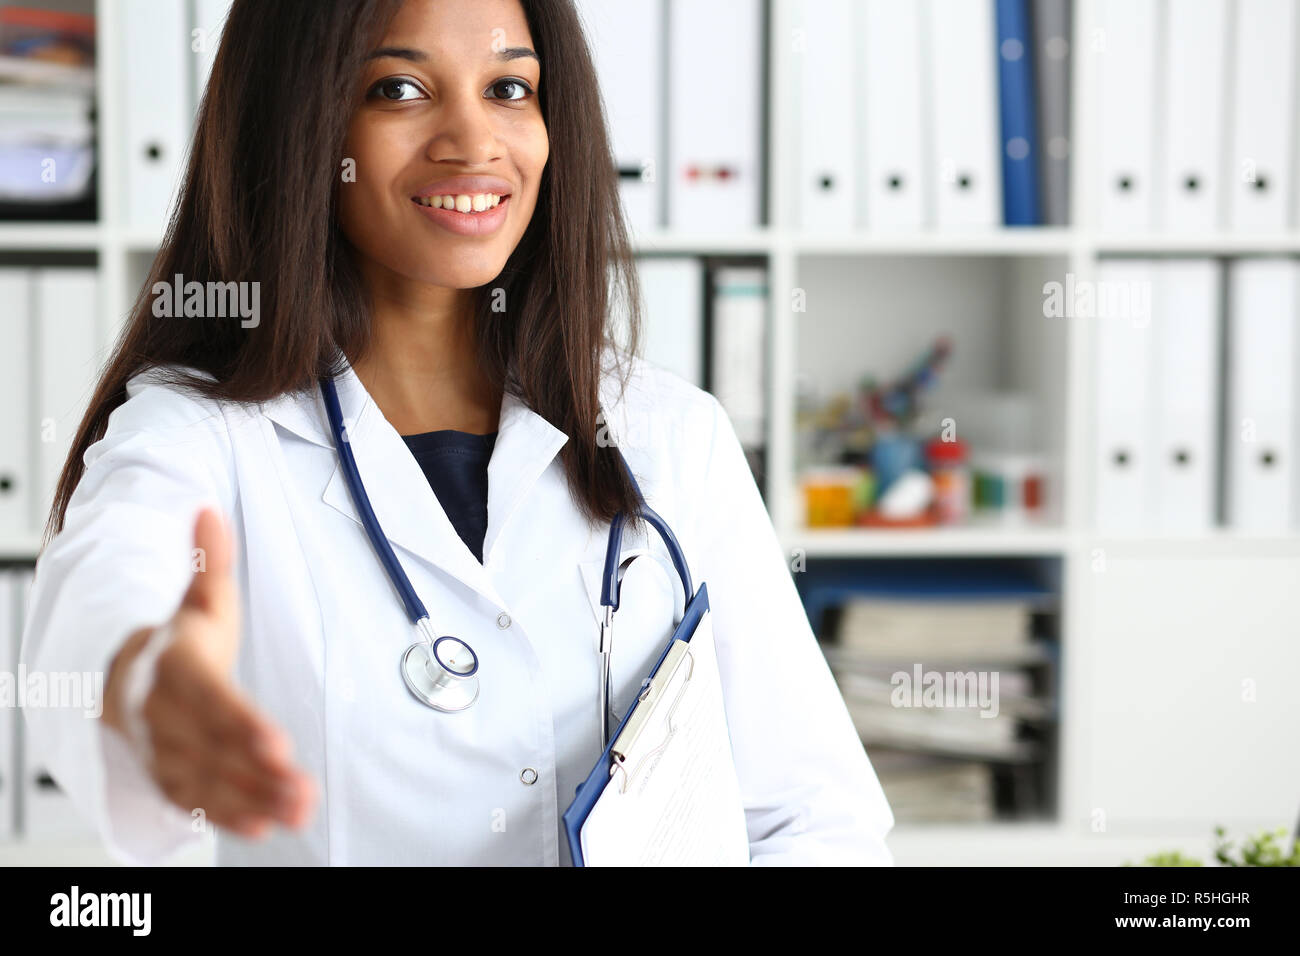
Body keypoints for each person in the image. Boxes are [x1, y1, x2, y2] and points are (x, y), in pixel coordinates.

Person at [20, 0, 894, 865]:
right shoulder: (197, 433)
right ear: (300, 121)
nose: (474, 141)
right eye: (399, 89)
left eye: (509, 87)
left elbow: (816, 821)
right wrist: (147, 688)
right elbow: (104, 601)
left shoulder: (673, 436)